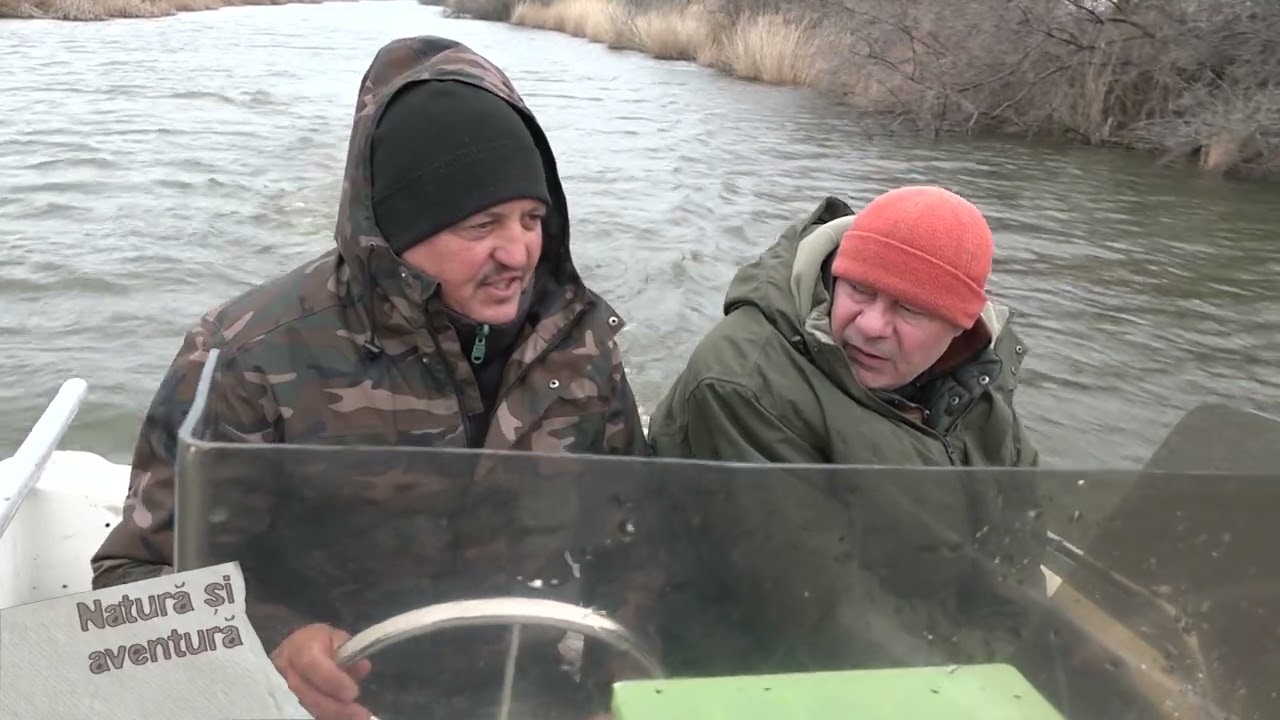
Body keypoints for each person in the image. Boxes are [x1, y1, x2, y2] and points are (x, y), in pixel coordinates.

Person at [90, 36, 653, 720]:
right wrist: (276, 645)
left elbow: (638, 548)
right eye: (482, 225)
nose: (518, 252)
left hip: (523, 696)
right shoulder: (247, 358)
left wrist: (623, 691)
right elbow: (134, 585)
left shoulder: (581, 346)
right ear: (396, 228)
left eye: (533, 219)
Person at [646, 187, 1047, 677]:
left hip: (935, 650)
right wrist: (961, 680)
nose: (872, 325)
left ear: (960, 326)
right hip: (760, 662)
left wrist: (999, 655)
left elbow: (1016, 555)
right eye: (858, 289)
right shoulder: (745, 381)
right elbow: (815, 604)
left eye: (911, 309)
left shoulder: (981, 391)